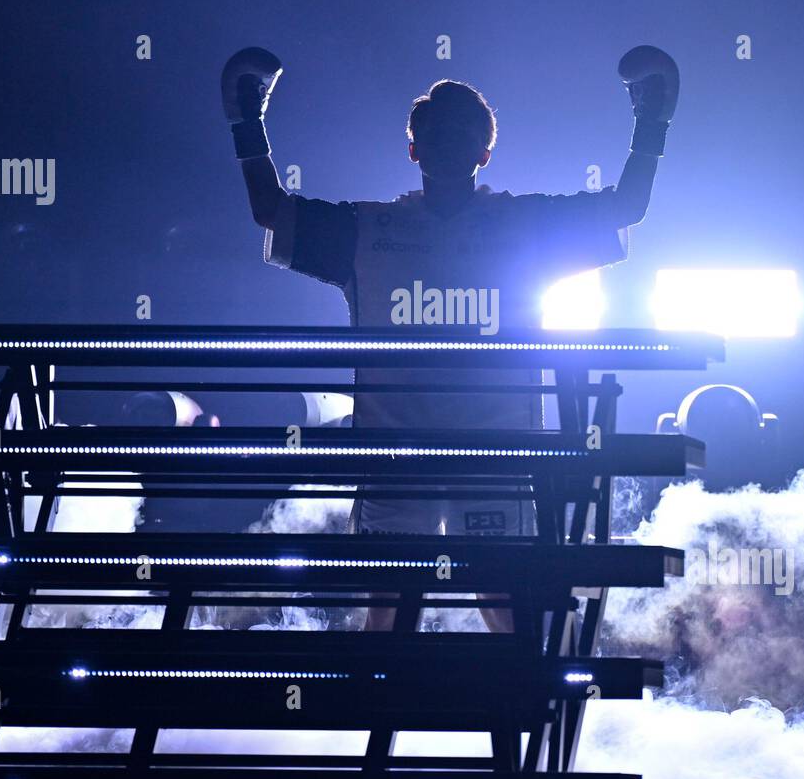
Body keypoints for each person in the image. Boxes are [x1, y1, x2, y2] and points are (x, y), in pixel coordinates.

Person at [228, 58, 675, 632]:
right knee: (394, 604)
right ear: (415, 148)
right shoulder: (374, 228)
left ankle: (505, 706)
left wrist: (654, 119)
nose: (448, 142)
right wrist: (244, 120)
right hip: (408, 455)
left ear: (482, 154)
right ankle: (394, 707)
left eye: (460, 132)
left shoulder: (509, 226)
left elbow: (624, 209)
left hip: (482, 453)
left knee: (495, 601)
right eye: (439, 131)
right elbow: (272, 211)